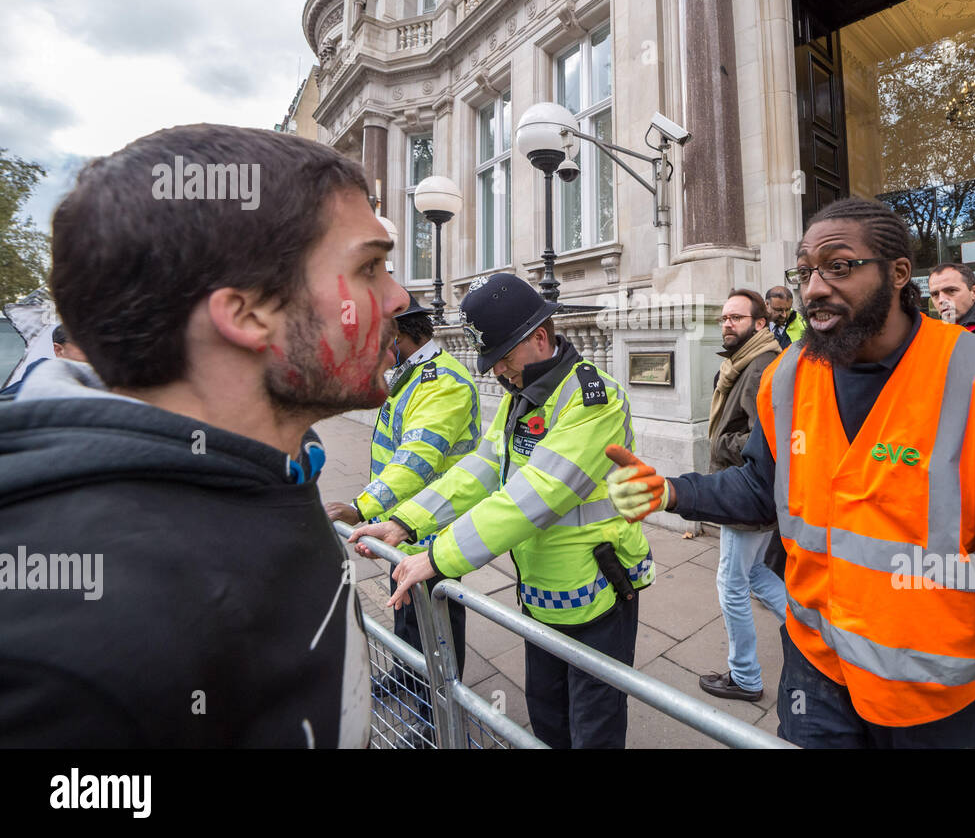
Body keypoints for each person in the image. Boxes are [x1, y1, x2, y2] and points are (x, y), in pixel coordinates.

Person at [606, 197, 975, 748]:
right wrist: (675, 490)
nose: (815, 287)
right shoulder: (787, 378)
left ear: (899, 274)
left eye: (839, 266)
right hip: (815, 677)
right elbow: (762, 488)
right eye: (805, 271)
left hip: (928, 700)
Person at [0, 123, 396, 747]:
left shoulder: (272, 469)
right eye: (370, 266)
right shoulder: (69, 646)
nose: (398, 296)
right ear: (245, 315)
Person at [349, 273, 654, 749]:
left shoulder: (595, 398)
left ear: (538, 337)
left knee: (594, 729)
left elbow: (536, 494)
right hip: (540, 597)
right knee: (548, 720)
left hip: (598, 595)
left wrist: (438, 557)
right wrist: (405, 522)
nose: (498, 373)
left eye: (504, 358)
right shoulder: (522, 397)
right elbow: (482, 468)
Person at [324, 292, 481, 680]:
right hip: (404, 523)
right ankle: (404, 678)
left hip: (435, 526)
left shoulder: (443, 382)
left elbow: (416, 458)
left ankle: (437, 706)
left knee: (435, 621)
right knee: (405, 610)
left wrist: (361, 507)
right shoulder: (411, 374)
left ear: (397, 333)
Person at [699, 288, 785, 702]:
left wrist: (720, 446)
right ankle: (816, 635)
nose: (727, 324)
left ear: (760, 323)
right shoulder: (743, 361)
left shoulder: (760, 365)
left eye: (736, 317)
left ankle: (745, 676)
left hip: (746, 490)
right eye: (724, 318)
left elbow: (763, 438)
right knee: (754, 574)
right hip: (751, 489)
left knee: (730, 584)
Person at [928, 262, 975, 334]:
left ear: (974, 292)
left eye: (951, 290)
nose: (941, 300)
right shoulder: (936, 332)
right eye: (935, 294)